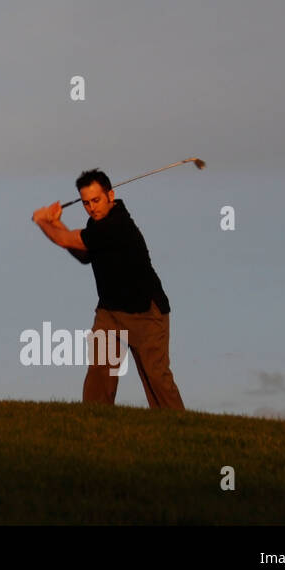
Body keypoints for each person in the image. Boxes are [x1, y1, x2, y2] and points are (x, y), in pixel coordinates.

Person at [31, 169, 185, 410]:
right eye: (86, 203)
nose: (92, 208)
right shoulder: (97, 224)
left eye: (96, 200)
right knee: (99, 374)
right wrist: (57, 222)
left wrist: (42, 221)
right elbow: (84, 253)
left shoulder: (117, 224)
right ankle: (93, 424)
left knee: (157, 379)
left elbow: (66, 240)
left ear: (110, 195)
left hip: (146, 313)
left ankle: (180, 430)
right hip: (110, 312)